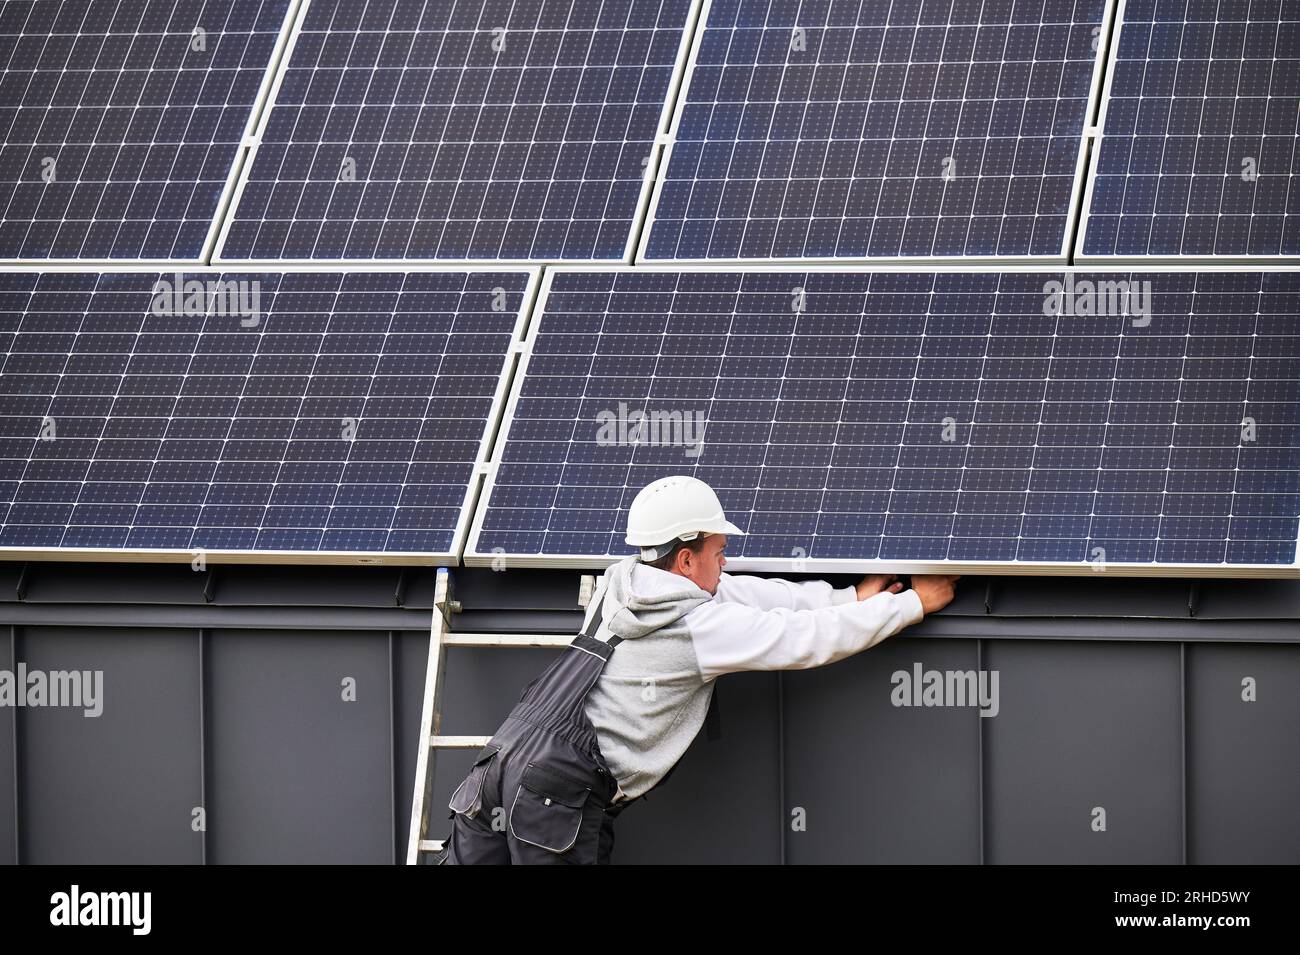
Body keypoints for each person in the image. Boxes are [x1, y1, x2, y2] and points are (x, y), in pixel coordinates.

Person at [435, 475, 959, 864]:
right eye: (719, 551)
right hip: (555, 791)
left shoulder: (625, 580)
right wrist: (913, 605)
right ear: (686, 561)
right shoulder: (698, 629)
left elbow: (745, 593)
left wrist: (846, 595)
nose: (726, 562)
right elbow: (807, 641)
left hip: (499, 761)